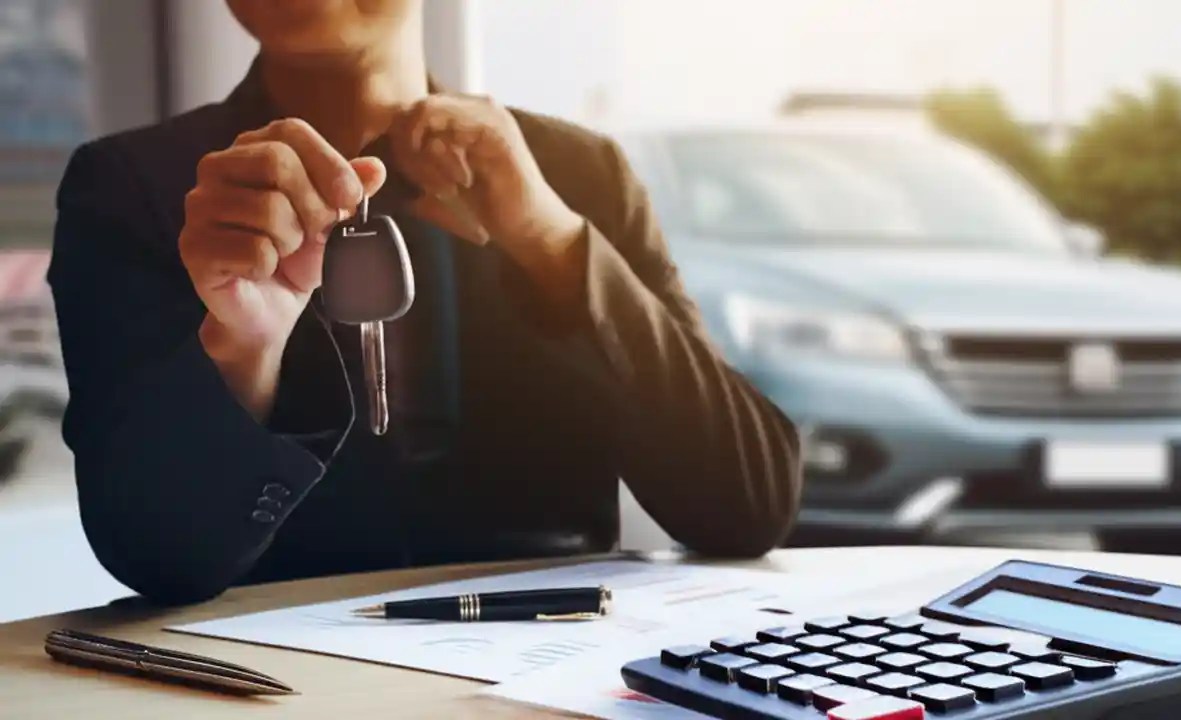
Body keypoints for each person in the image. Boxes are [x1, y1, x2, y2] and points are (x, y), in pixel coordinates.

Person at [49, 0, 800, 605]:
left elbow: (746, 506)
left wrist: (551, 239)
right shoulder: (135, 187)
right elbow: (152, 557)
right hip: (267, 684)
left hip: (553, 662)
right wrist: (241, 347)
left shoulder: (578, 174)